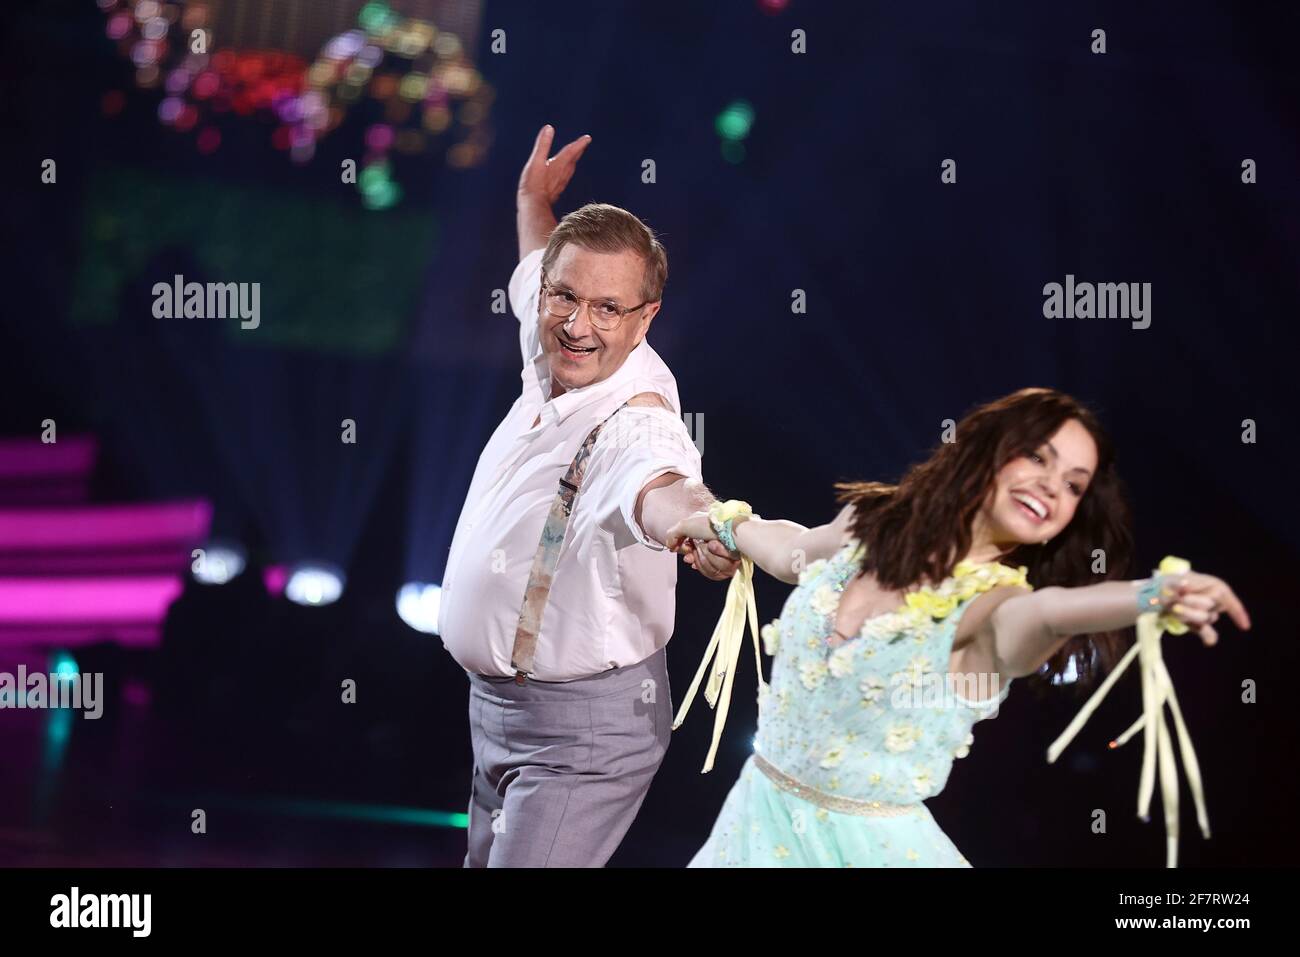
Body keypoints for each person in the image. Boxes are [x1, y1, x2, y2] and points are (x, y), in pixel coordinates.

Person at [666, 387, 1250, 866]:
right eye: (1038, 458)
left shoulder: (998, 610)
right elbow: (791, 550)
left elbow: (1050, 612)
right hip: (754, 826)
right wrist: (718, 523)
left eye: (1074, 484)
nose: (1052, 486)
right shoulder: (869, 526)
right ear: (988, 450)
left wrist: (1152, 595)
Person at [437, 125, 739, 867]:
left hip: (582, 733)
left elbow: (662, 486)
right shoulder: (554, 336)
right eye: (565, 296)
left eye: (608, 308)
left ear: (646, 318)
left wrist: (702, 525)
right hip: (494, 711)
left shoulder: (638, 419)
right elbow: (536, 264)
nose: (578, 325)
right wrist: (531, 201)